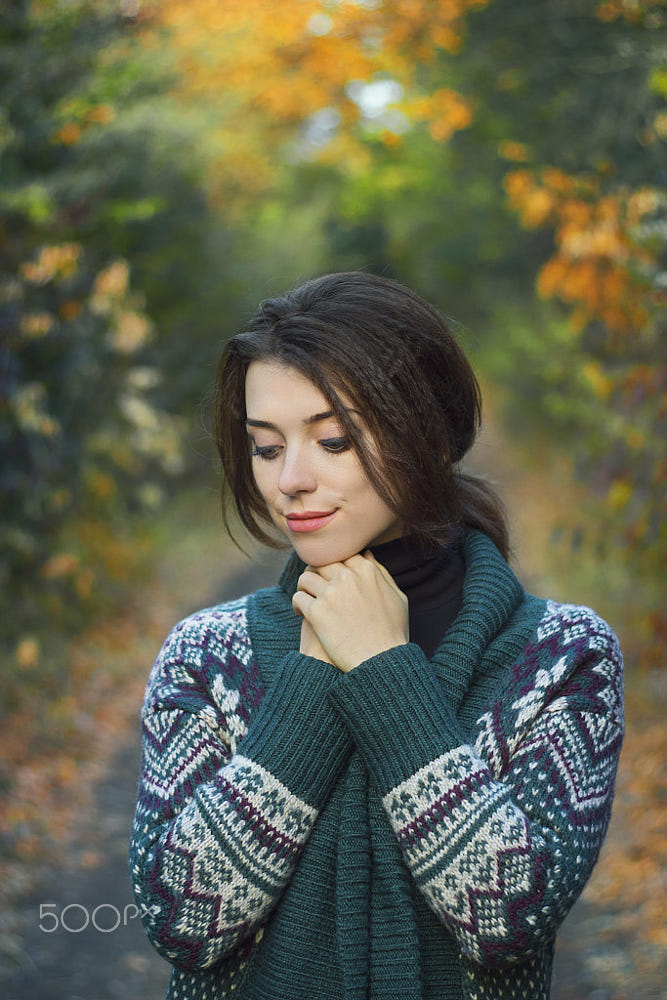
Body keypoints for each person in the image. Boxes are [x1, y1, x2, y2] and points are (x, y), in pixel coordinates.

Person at [129, 271, 624, 1000]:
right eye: (265, 447)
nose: (290, 480)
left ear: (429, 434)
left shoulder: (561, 657)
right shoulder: (206, 655)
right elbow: (182, 923)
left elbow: (507, 924)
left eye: (332, 440)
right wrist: (309, 686)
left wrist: (386, 671)